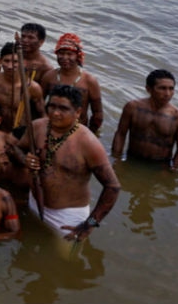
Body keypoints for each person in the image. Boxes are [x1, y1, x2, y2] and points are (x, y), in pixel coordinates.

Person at [20, 85, 120, 241]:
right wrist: (25, 159)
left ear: (78, 112)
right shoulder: (38, 126)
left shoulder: (88, 143)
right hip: (35, 201)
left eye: (63, 109)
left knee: (68, 261)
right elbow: (17, 150)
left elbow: (113, 187)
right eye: (51, 106)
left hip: (68, 217)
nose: (55, 113)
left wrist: (91, 224)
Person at [111, 69, 178, 169]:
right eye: (162, 88)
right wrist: (116, 159)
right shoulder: (133, 108)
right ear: (149, 89)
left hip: (160, 166)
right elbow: (120, 134)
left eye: (171, 89)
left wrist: (173, 169)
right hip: (131, 159)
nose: (167, 93)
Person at [40, 33, 104, 133]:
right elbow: (39, 103)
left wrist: (91, 134)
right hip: (51, 128)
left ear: (78, 56)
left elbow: (98, 114)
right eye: (61, 53)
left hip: (77, 130)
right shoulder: (49, 76)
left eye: (70, 54)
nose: (65, 57)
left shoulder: (89, 81)